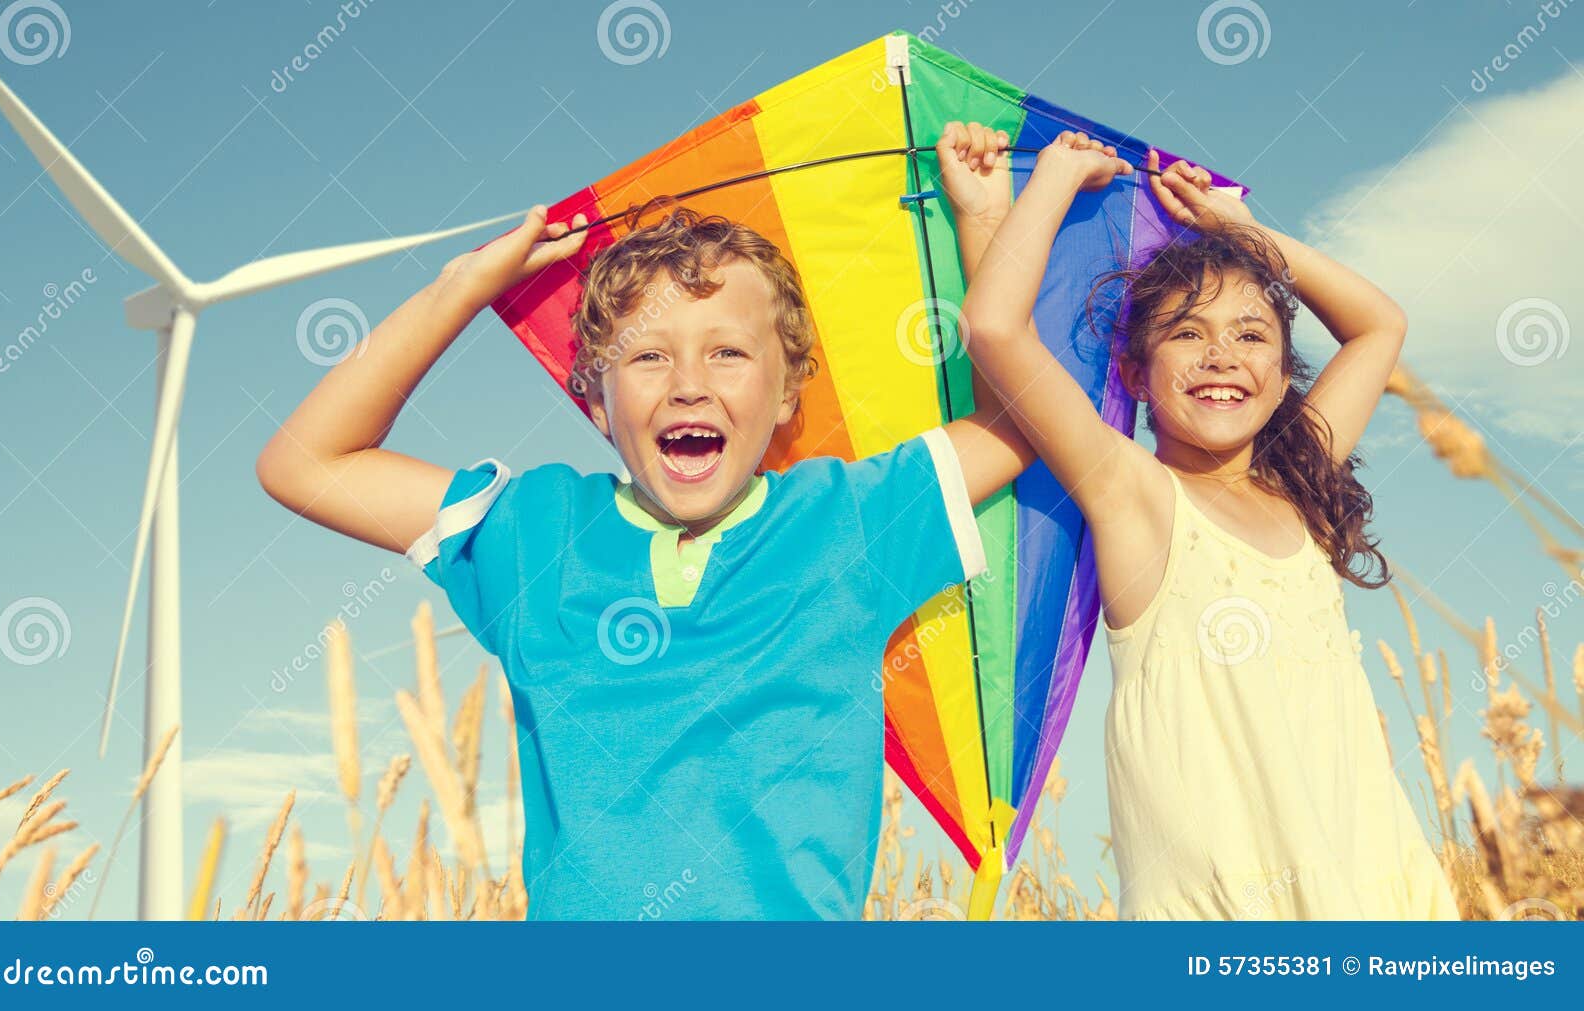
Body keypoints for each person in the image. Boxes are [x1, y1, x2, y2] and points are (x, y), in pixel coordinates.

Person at [255, 122, 1035, 918]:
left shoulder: (848, 521)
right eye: (648, 355)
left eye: (728, 352)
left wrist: (981, 220)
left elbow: (1021, 414)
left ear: (789, 391)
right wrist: (464, 286)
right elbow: (305, 463)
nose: (688, 384)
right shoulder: (534, 531)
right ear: (595, 398)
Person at [959, 129, 1458, 919]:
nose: (1223, 354)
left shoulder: (1300, 490)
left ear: (1283, 368)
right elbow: (993, 330)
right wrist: (1050, 179)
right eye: (1187, 333)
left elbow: (1379, 326)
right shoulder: (1135, 494)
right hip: (1218, 917)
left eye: (1252, 335)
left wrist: (1239, 228)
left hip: (1378, 897)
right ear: (1135, 373)